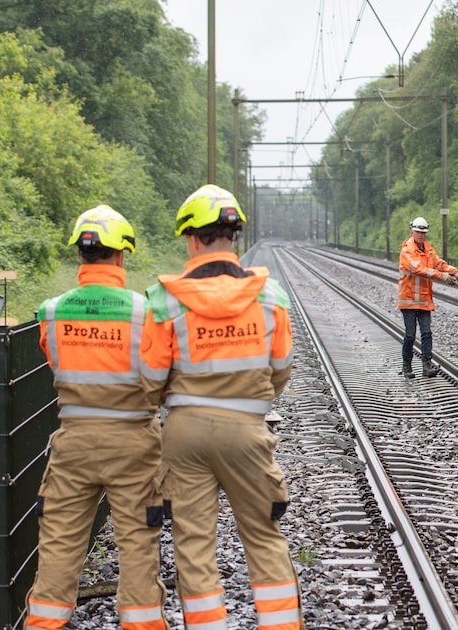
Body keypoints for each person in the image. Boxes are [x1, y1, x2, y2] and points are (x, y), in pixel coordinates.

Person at [139, 184, 302, 629]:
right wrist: (250, 397)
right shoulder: (269, 297)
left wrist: (173, 396)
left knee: (193, 543)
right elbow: (281, 369)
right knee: (263, 534)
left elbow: (150, 379)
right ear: (233, 237)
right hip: (247, 428)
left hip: (185, 431)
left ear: (191, 238)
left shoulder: (165, 300)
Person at [27, 206, 168, 629]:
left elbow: (56, 364)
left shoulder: (52, 312)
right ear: (121, 255)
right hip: (134, 442)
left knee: (59, 546)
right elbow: (159, 377)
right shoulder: (145, 312)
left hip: (74, 442)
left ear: (80, 254)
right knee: (138, 544)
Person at [397, 216, 458, 378]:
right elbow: (417, 269)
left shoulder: (428, 250)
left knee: (427, 333)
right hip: (408, 300)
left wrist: (454, 272)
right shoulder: (407, 251)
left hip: (424, 300)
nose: (420, 235)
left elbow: (438, 263)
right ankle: (407, 366)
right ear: (412, 231)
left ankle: (427, 366)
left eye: (423, 232)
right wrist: (441, 276)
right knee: (410, 335)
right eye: (418, 232)